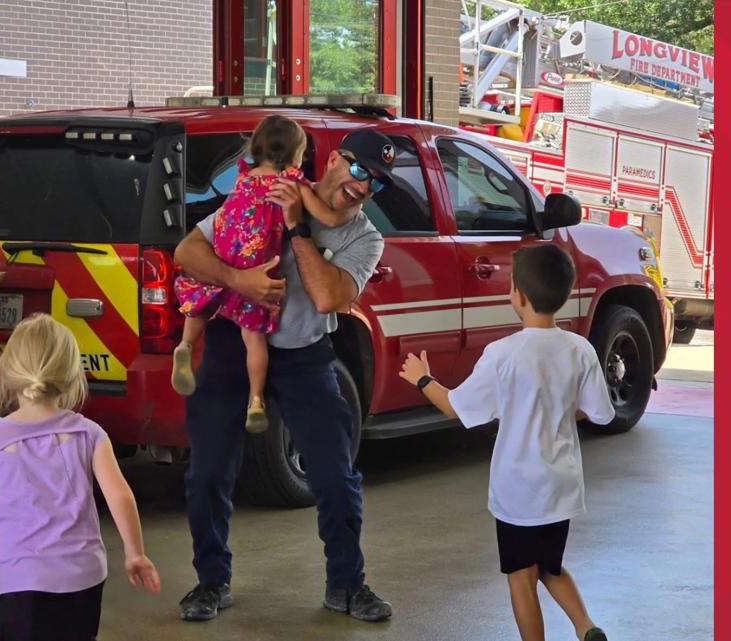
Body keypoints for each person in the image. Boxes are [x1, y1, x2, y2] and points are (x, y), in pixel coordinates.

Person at [172, 128, 394, 622]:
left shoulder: (364, 237)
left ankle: (347, 586)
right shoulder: (268, 187)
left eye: (375, 182)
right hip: (233, 345)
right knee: (208, 472)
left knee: (335, 475)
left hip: (303, 356)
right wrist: (238, 279)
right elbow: (187, 251)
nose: (362, 186)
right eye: (359, 170)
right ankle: (211, 582)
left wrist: (296, 228)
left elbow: (328, 297)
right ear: (333, 160)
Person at [399, 244, 614, 641]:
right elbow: (600, 413)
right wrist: (560, 409)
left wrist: (422, 379)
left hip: (519, 491)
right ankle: (587, 627)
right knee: (549, 565)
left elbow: (455, 407)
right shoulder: (579, 348)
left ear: (518, 295)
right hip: (561, 486)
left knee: (521, 576)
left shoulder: (502, 354)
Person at [0, 313, 161, 641]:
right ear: (71, 373)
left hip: (26, 581)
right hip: (85, 577)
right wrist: (135, 553)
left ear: (8, 370)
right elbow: (121, 495)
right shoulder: (89, 432)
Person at [172, 114, 346, 434]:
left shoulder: (242, 177)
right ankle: (255, 400)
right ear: (295, 154)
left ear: (256, 148)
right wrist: (338, 214)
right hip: (256, 266)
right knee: (253, 338)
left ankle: (185, 345)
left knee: (206, 298)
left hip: (223, 255)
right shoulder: (290, 183)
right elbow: (328, 218)